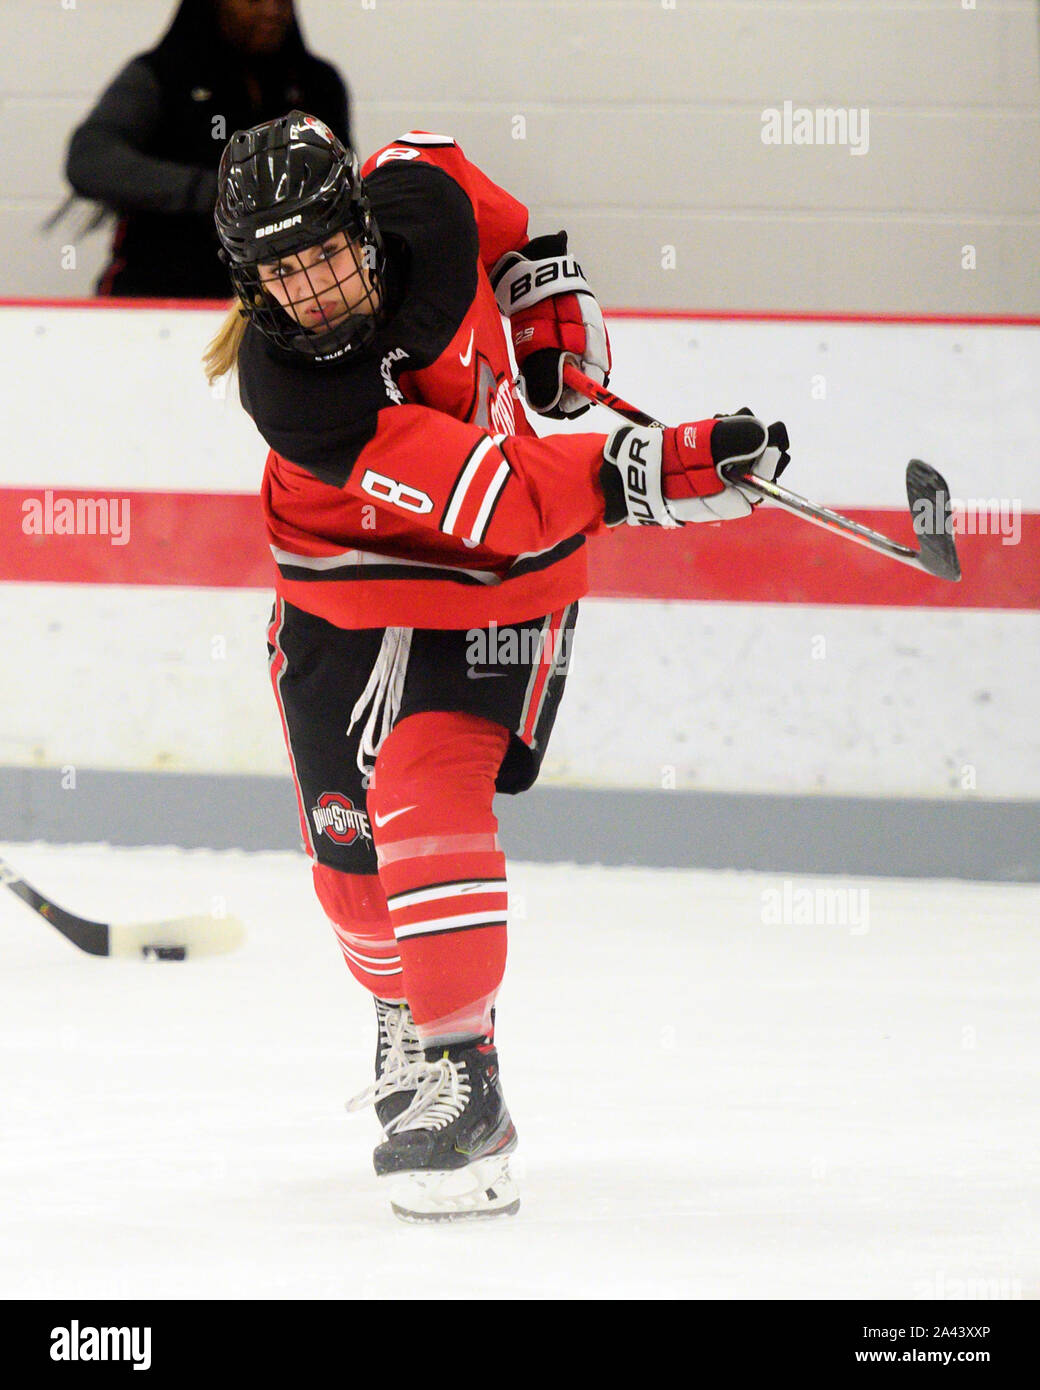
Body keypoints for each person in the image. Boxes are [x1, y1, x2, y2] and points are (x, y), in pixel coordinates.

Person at [204, 112, 790, 1222]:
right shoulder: (296, 398)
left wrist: (541, 303)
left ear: (361, 227)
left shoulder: (417, 192)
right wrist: (662, 464)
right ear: (250, 285)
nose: (315, 287)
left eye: (325, 250)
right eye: (283, 272)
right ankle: (400, 1003)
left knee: (425, 782)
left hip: (496, 592)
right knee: (348, 855)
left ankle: (466, 1081)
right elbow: (501, 496)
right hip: (349, 582)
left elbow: (503, 223)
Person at [64, 1, 349, 297]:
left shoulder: (317, 83)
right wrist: (218, 192)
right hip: (159, 292)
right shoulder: (162, 74)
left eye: (282, 1)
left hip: (289, 300)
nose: (272, 10)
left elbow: (343, 186)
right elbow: (89, 161)